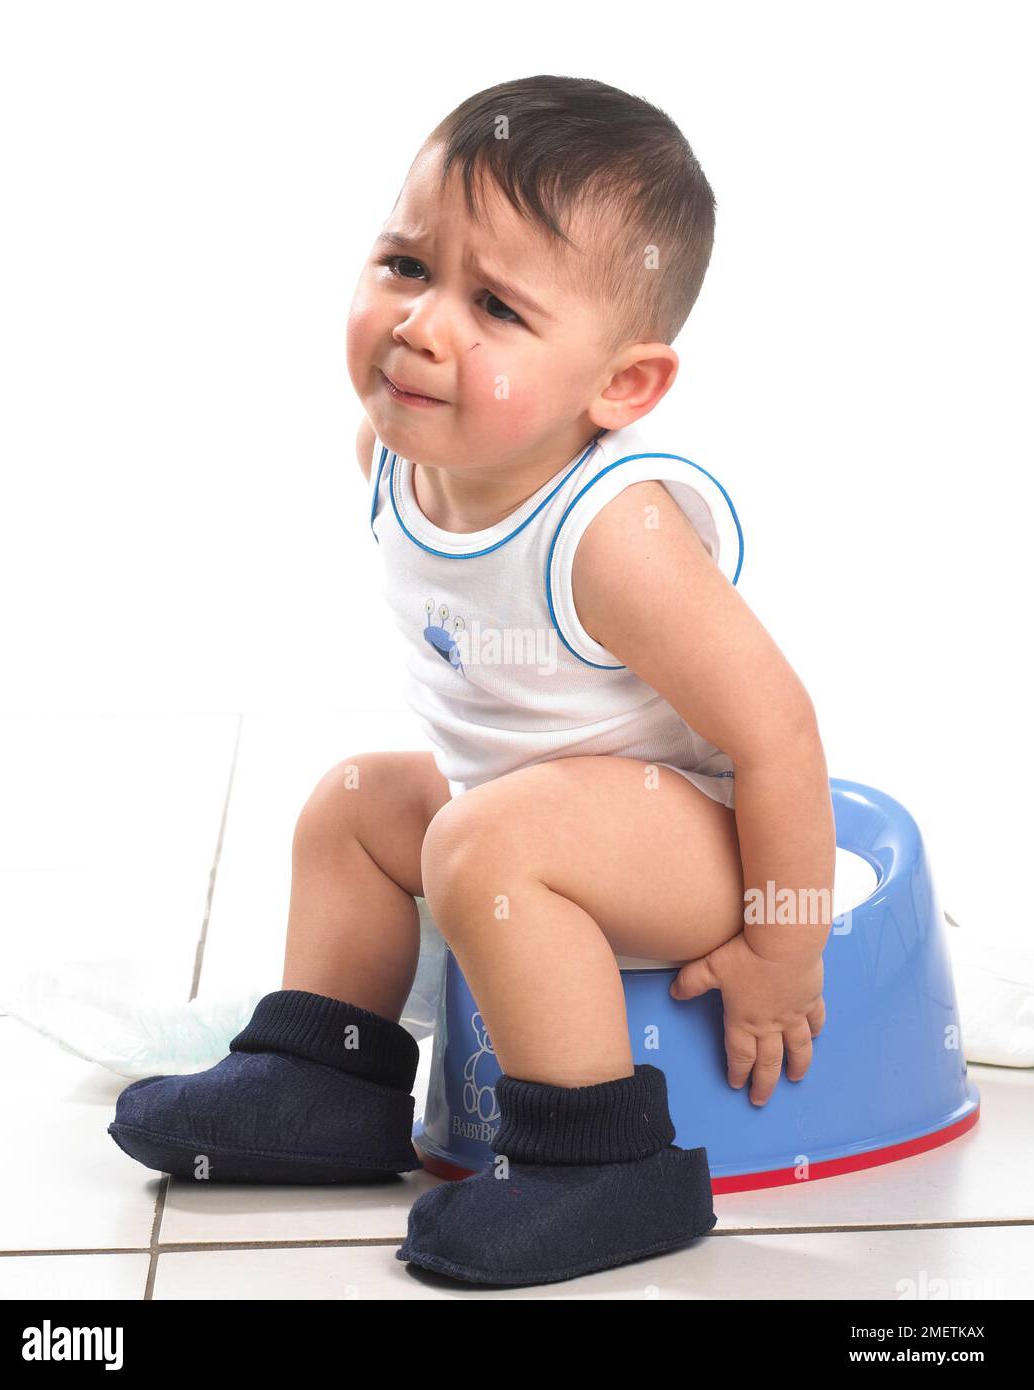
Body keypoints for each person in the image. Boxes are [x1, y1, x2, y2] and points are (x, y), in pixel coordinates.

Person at [110, 74, 836, 1289]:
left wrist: (786, 946)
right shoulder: (395, 455)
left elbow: (780, 734)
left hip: (693, 837)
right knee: (352, 803)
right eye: (406, 264)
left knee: (482, 843)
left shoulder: (614, 535)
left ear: (621, 387)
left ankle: (599, 1159)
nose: (424, 324)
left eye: (494, 303)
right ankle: (329, 1076)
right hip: (537, 810)